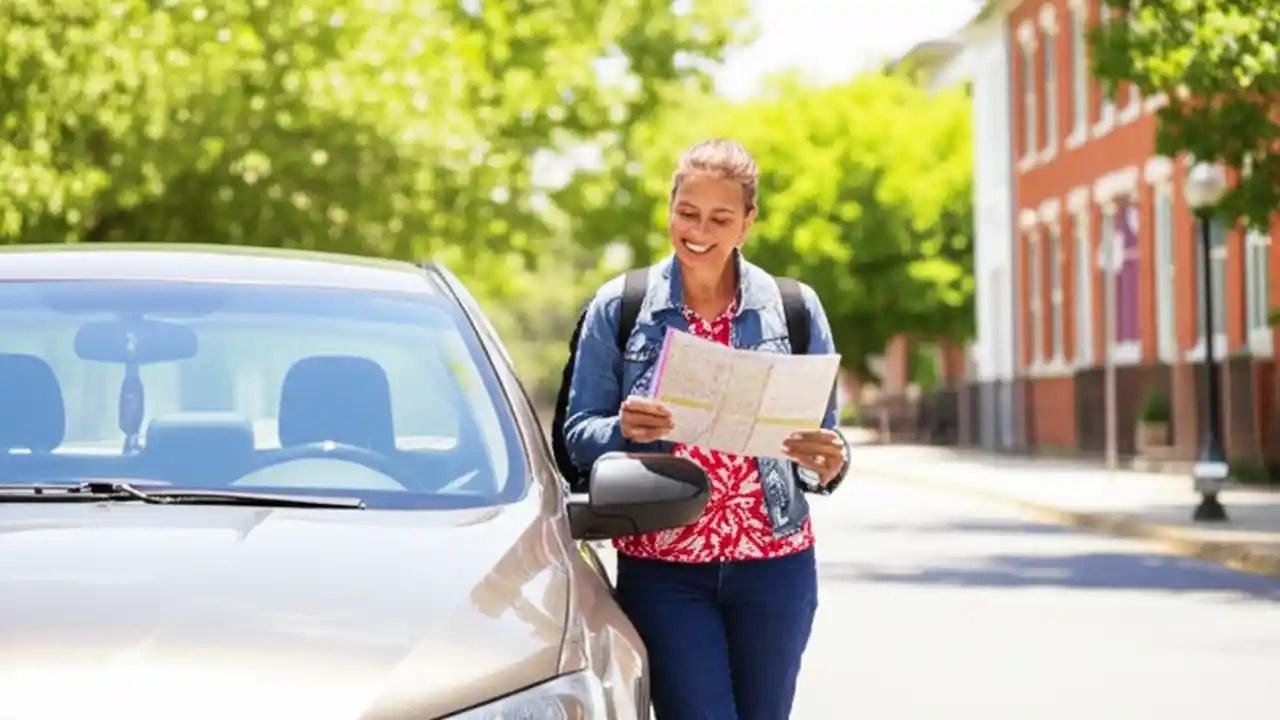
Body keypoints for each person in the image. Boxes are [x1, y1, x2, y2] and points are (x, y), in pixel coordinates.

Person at [563, 138, 851, 719]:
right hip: (664, 569)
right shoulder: (621, 306)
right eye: (687, 213)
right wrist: (623, 431)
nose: (699, 230)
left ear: (747, 224)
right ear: (670, 208)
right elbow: (576, 436)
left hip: (776, 566)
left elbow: (826, 438)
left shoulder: (793, 308)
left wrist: (830, 461)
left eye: (720, 218)